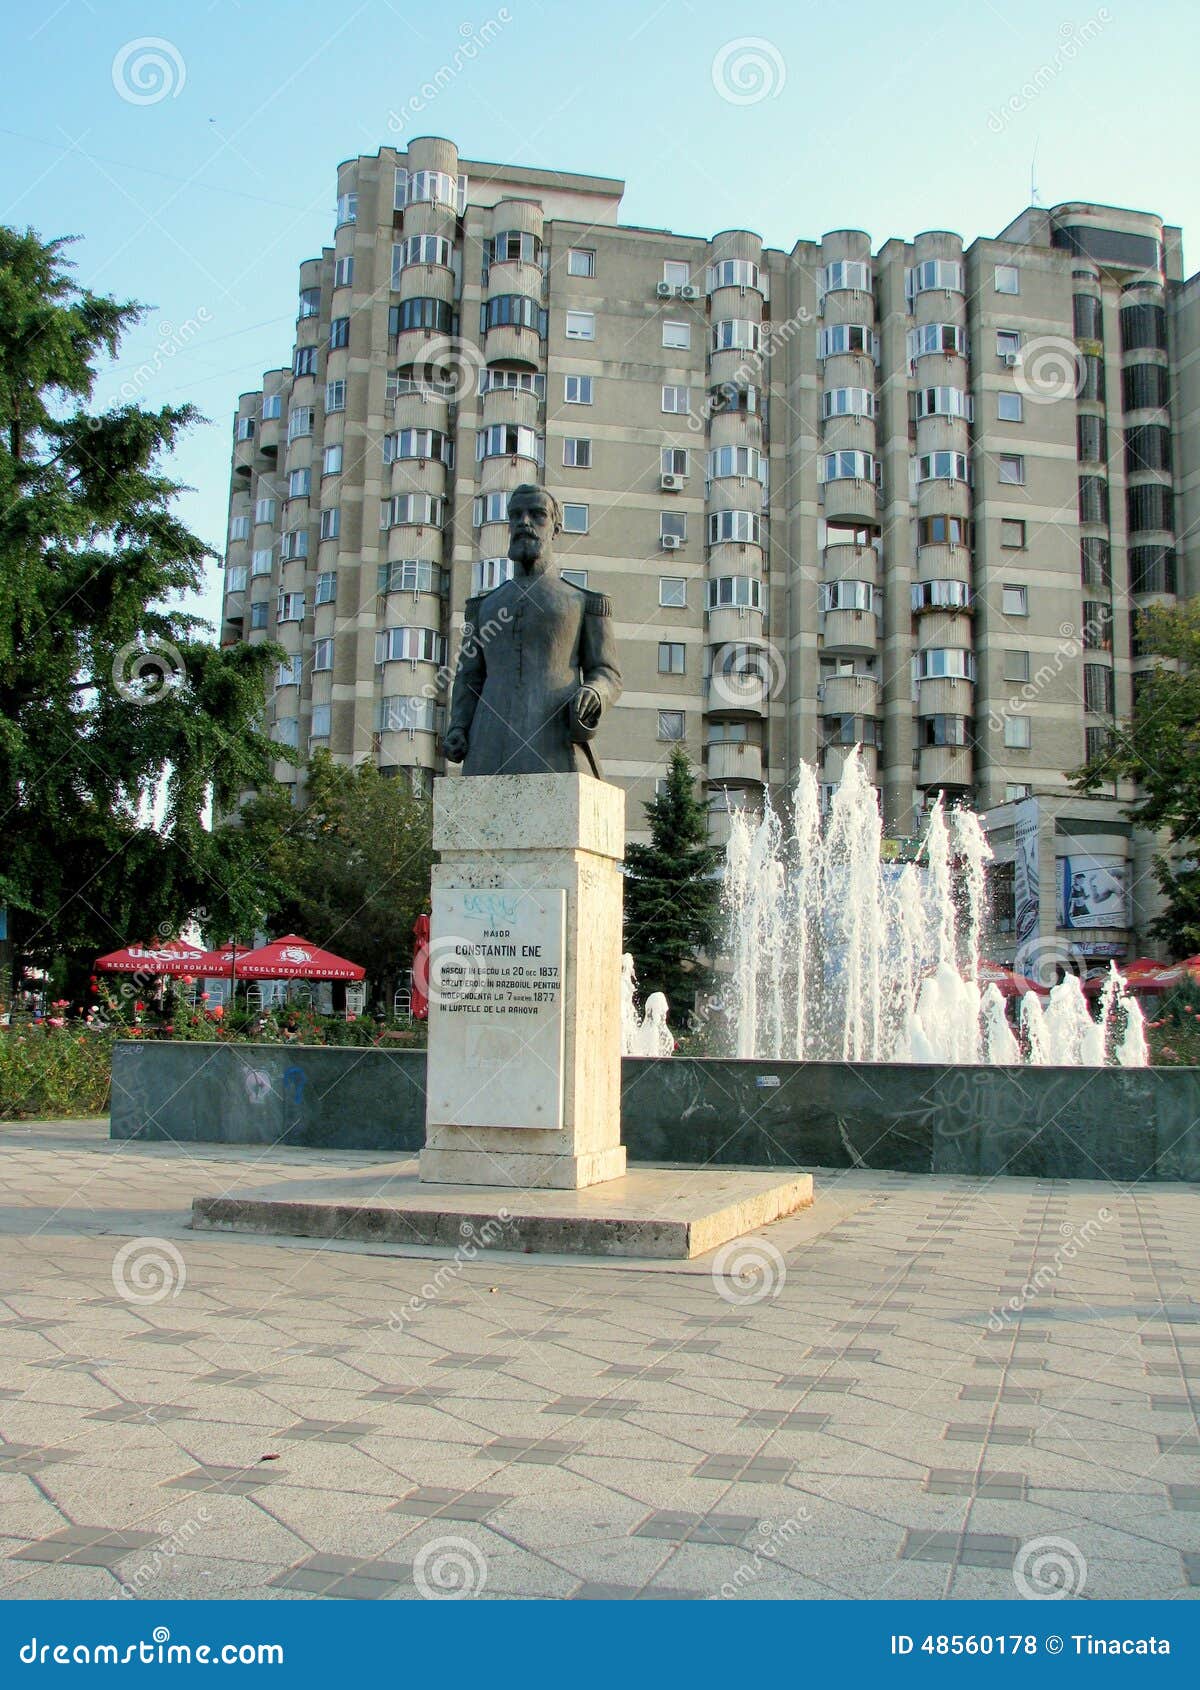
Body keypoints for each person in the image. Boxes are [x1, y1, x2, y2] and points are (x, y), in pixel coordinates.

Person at [443, 485, 621, 777]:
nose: (524, 522)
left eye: (537, 515)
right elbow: (468, 677)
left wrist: (595, 693)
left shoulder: (584, 602)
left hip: (556, 742)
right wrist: (459, 726)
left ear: (556, 529)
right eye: (516, 515)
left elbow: (607, 672)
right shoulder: (484, 607)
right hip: (487, 747)